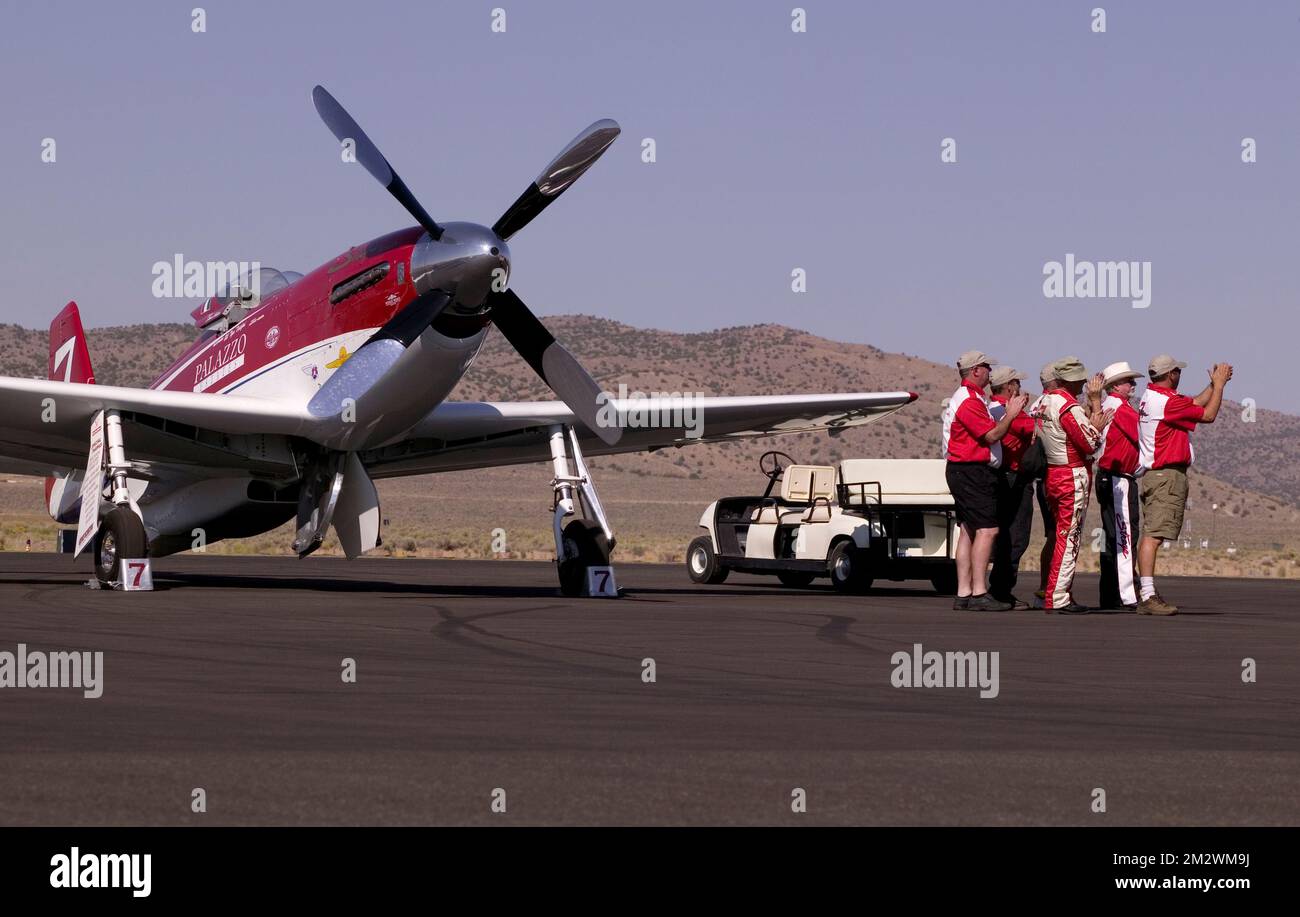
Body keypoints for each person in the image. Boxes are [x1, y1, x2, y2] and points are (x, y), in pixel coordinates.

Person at [1135, 355, 1233, 615]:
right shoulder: (1166, 402)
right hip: (1165, 476)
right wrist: (1219, 386)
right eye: (1177, 371)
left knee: (1152, 534)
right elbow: (1208, 415)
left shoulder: (1155, 397)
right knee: (1153, 535)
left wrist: (1212, 384)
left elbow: (1194, 403)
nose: (1180, 374)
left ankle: (1147, 592)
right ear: (1171, 375)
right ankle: (1147, 595)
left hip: (1159, 476)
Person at [941, 350, 1028, 612]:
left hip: (964, 470)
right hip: (971, 471)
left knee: (968, 529)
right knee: (988, 530)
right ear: (976, 370)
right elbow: (990, 436)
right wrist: (1011, 414)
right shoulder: (969, 400)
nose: (990, 372)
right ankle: (979, 592)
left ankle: (964, 592)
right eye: (987, 367)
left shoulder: (972, 398)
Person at [1038, 357, 1107, 613]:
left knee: (1061, 534)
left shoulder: (1043, 402)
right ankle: (1058, 596)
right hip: (1071, 474)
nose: (1082, 383)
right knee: (1069, 537)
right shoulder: (1068, 406)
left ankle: (1056, 592)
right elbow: (1090, 444)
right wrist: (1096, 426)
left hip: (1053, 473)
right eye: (1079, 379)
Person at [1095, 361, 1144, 609]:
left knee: (1113, 536)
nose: (1133, 385)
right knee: (1125, 535)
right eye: (1128, 381)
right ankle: (1127, 594)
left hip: (1111, 476)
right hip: (1118, 477)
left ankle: (1111, 594)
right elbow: (1143, 433)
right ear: (1115, 386)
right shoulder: (1120, 408)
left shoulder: (1111, 406)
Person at [988, 366, 1035, 608]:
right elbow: (1035, 429)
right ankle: (1001, 590)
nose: (1019, 386)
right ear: (1009, 386)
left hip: (1005, 476)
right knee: (1016, 537)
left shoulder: (992, 409)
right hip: (1014, 477)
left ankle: (999, 588)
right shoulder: (1007, 412)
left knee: (1008, 536)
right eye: (1016, 382)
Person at [1032, 363, 1058, 610]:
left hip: (1043, 478)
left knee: (1053, 534)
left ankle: (1045, 587)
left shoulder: (1036, 404)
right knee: (1058, 535)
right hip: (1055, 475)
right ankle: (1050, 589)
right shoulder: (1055, 404)